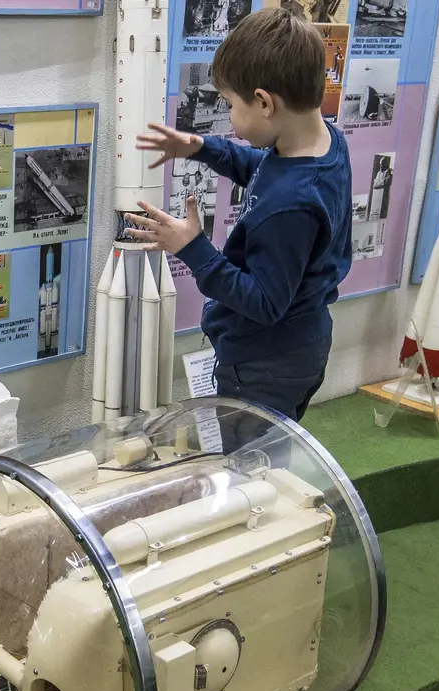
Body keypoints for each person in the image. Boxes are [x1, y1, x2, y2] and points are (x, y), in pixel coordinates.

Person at [123, 6, 353, 425]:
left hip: (264, 362)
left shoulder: (290, 206)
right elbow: (263, 167)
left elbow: (265, 303)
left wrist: (191, 248)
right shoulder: (322, 145)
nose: (229, 117)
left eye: (230, 104)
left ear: (264, 102)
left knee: (254, 469)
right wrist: (202, 148)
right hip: (297, 345)